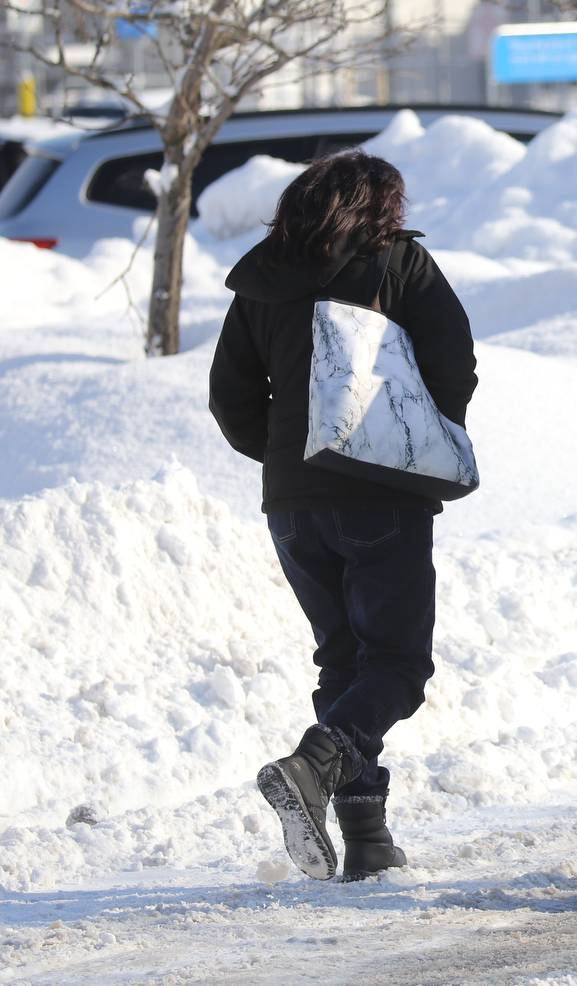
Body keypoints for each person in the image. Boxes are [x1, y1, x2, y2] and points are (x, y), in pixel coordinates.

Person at [208, 150, 477, 883]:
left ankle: (367, 837)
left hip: (293, 506)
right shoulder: (398, 266)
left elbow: (231, 398)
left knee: (345, 660)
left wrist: (286, 455)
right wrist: (417, 436)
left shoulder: (261, 277)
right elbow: (455, 364)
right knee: (397, 663)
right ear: (383, 205)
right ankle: (315, 762)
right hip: (380, 495)